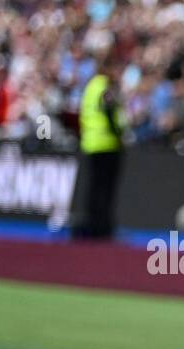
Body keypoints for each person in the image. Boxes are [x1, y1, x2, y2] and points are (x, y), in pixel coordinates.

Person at [73, 51, 126, 239]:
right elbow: (110, 112)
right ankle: (102, 228)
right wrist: (120, 134)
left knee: (94, 188)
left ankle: (92, 226)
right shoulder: (105, 87)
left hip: (91, 143)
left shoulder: (91, 87)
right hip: (107, 144)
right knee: (104, 189)